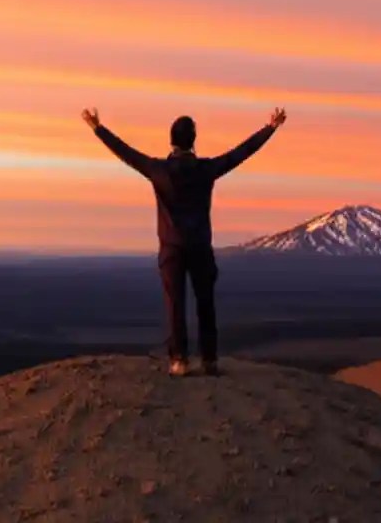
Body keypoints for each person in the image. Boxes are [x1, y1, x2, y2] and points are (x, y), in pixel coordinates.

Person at [82, 106, 287, 377]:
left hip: (171, 248)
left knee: (174, 304)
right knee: (206, 303)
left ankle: (179, 361)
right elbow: (241, 153)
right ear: (194, 140)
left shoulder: (158, 170)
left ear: (172, 140)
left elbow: (125, 152)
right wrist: (270, 128)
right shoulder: (206, 169)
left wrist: (98, 128)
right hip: (200, 246)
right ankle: (210, 360)